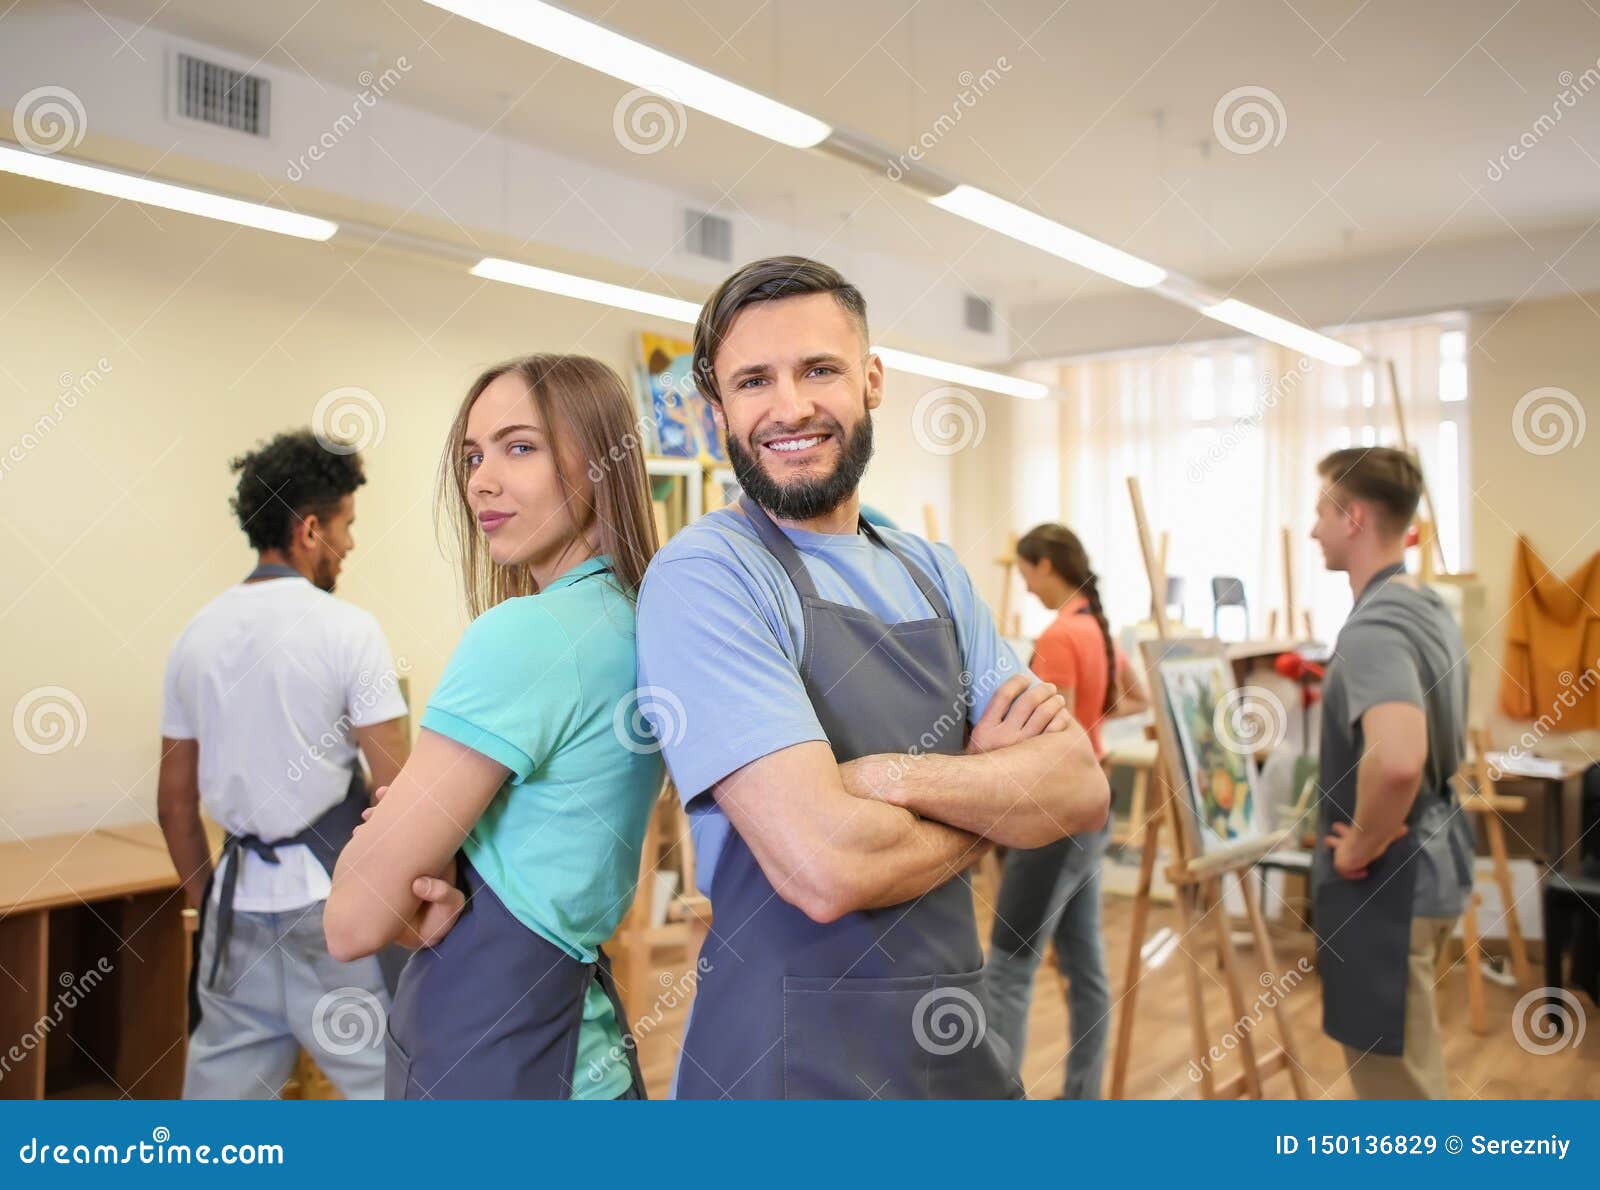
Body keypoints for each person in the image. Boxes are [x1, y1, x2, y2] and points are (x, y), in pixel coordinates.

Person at [634, 256, 1109, 1099]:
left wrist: (884, 779)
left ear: (873, 380)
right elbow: (825, 868)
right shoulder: (707, 575)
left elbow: (1076, 789)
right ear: (718, 415)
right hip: (782, 1068)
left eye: (820, 369)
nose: (790, 407)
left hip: (951, 1049)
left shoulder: (934, 572)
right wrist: (994, 803)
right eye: (753, 382)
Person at [324, 354, 662, 1100]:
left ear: (599, 458)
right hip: (582, 1048)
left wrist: (407, 858)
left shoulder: (527, 635)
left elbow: (351, 922)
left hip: (498, 1060)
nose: (480, 479)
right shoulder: (641, 621)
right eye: (473, 455)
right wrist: (433, 871)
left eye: (520, 446)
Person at [158, 429, 409, 1099]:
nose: (350, 545)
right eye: (345, 526)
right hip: (331, 916)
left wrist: (209, 905)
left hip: (234, 913)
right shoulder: (349, 631)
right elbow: (401, 798)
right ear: (308, 530)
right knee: (390, 1098)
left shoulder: (195, 635)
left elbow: (175, 807)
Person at [1308, 446, 1473, 1099]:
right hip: (1433, 864)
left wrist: (1360, 846)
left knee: (1396, 1101)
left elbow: (1400, 762)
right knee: (1412, 1077)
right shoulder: (1427, 604)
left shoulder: (1374, 626)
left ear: (1353, 517)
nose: (1313, 528)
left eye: (1321, 511)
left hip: (1388, 884)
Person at [982, 523, 1148, 1098]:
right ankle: (1083, 1097)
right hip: (1092, 812)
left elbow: (1051, 745)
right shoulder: (1095, 628)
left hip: (1056, 821)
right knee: (1085, 967)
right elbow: (1138, 697)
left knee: (1007, 967)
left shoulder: (1058, 636)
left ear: (1047, 564)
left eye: (1025, 572)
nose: (1024, 585)